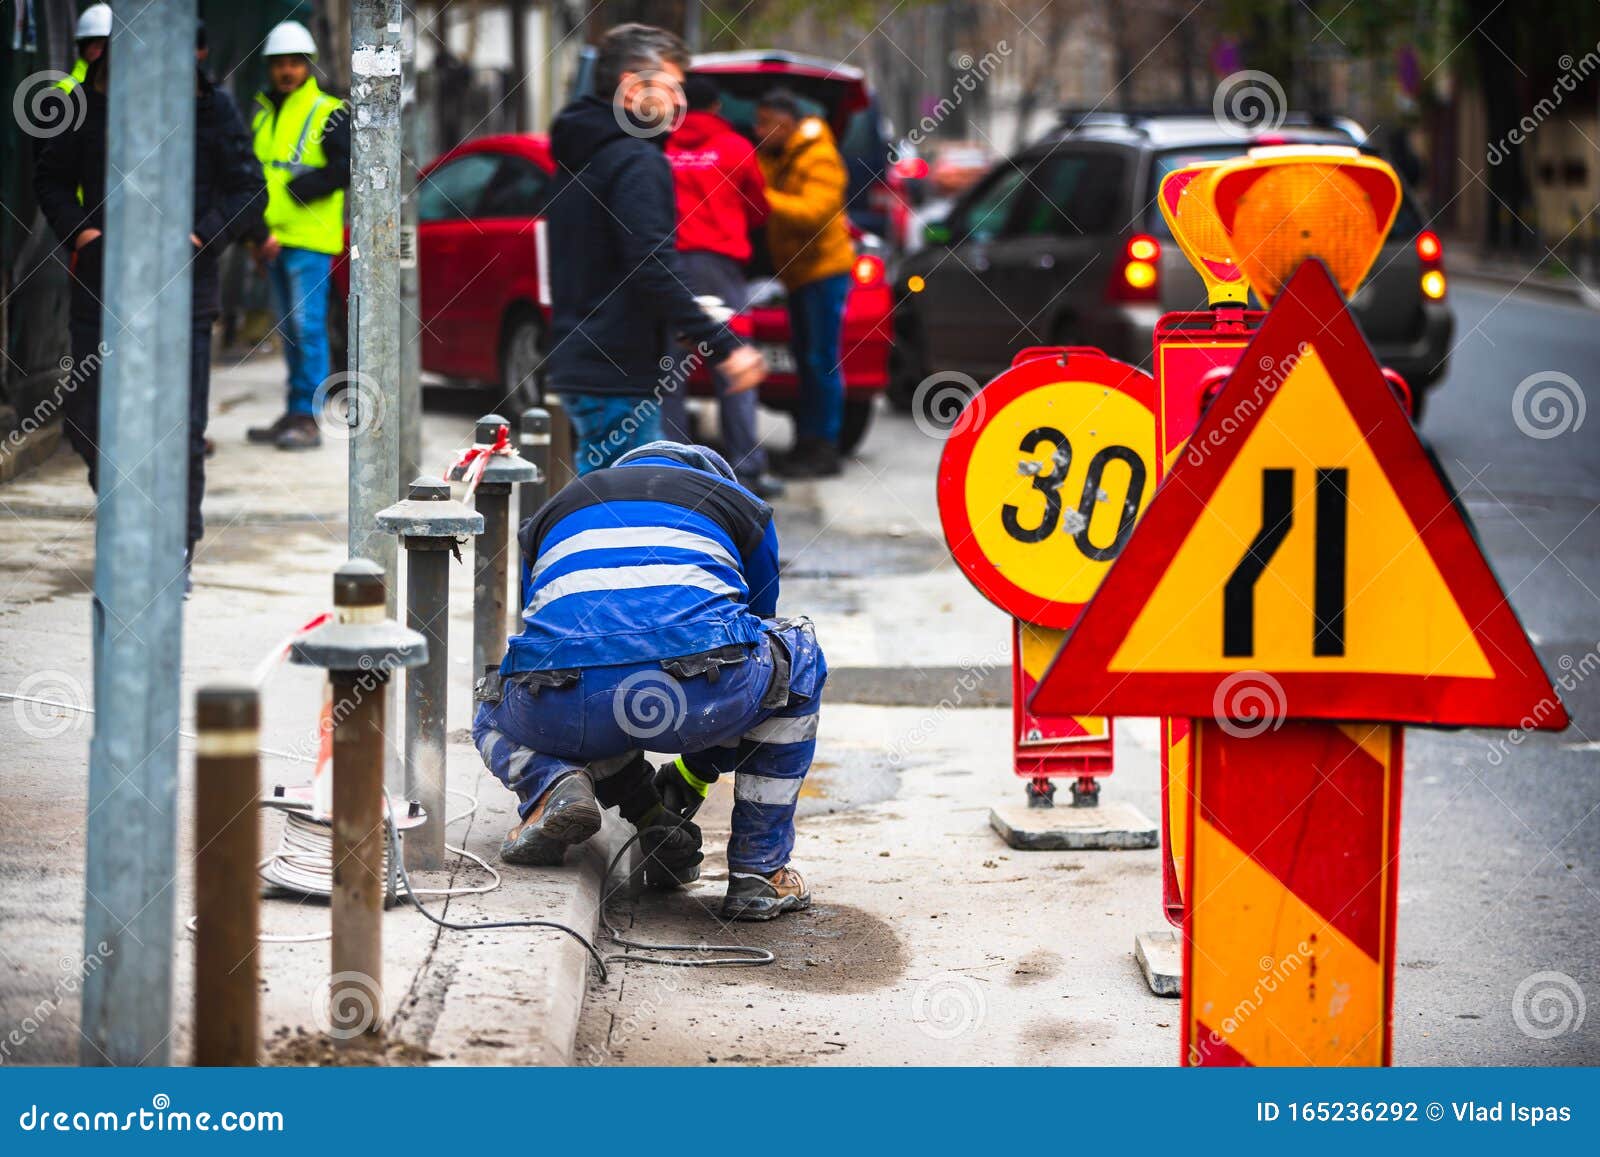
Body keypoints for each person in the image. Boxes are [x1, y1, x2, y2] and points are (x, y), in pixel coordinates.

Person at [472, 441, 825, 921]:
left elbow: (547, 635)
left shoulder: (559, 507)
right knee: (795, 655)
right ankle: (760, 871)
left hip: (566, 700)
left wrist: (665, 797)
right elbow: (754, 633)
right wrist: (704, 762)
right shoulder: (740, 504)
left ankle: (553, 785)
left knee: (504, 702)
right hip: (702, 686)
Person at [33, 39, 267, 592]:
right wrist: (83, 234)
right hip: (104, 288)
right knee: (88, 420)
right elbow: (51, 179)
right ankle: (128, 522)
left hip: (183, 294)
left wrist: (201, 235)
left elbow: (249, 189)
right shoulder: (92, 100)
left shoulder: (211, 104)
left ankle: (174, 547)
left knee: (180, 429)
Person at [543, 23, 764, 474]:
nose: (680, 103)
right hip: (615, 369)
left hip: (589, 359)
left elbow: (609, 262)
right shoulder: (634, 159)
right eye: (672, 88)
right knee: (623, 518)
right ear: (631, 88)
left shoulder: (586, 149)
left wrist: (678, 321)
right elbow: (650, 264)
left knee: (609, 501)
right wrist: (725, 346)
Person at [663, 75, 784, 499]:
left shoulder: (661, 146)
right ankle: (746, 470)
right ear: (716, 107)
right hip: (721, 267)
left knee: (669, 371)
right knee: (735, 366)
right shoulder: (736, 147)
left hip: (671, 267)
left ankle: (670, 469)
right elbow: (760, 208)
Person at [243, 20, 349, 451]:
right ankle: (293, 409)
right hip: (271, 239)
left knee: (307, 329)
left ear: (307, 66)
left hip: (308, 239)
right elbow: (254, 175)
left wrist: (298, 189)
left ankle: (307, 417)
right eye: (279, 64)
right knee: (288, 330)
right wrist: (256, 232)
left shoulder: (328, 111)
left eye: (294, 63)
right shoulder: (264, 112)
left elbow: (344, 169)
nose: (286, 71)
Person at [754, 89, 857, 479]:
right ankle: (806, 441)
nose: (757, 130)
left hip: (822, 271)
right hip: (798, 273)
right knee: (807, 359)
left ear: (784, 123)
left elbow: (815, 213)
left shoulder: (819, 156)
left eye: (764, 122)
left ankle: (824, 447)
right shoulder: (779, 157)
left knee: (820, 360)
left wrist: (766, 199)